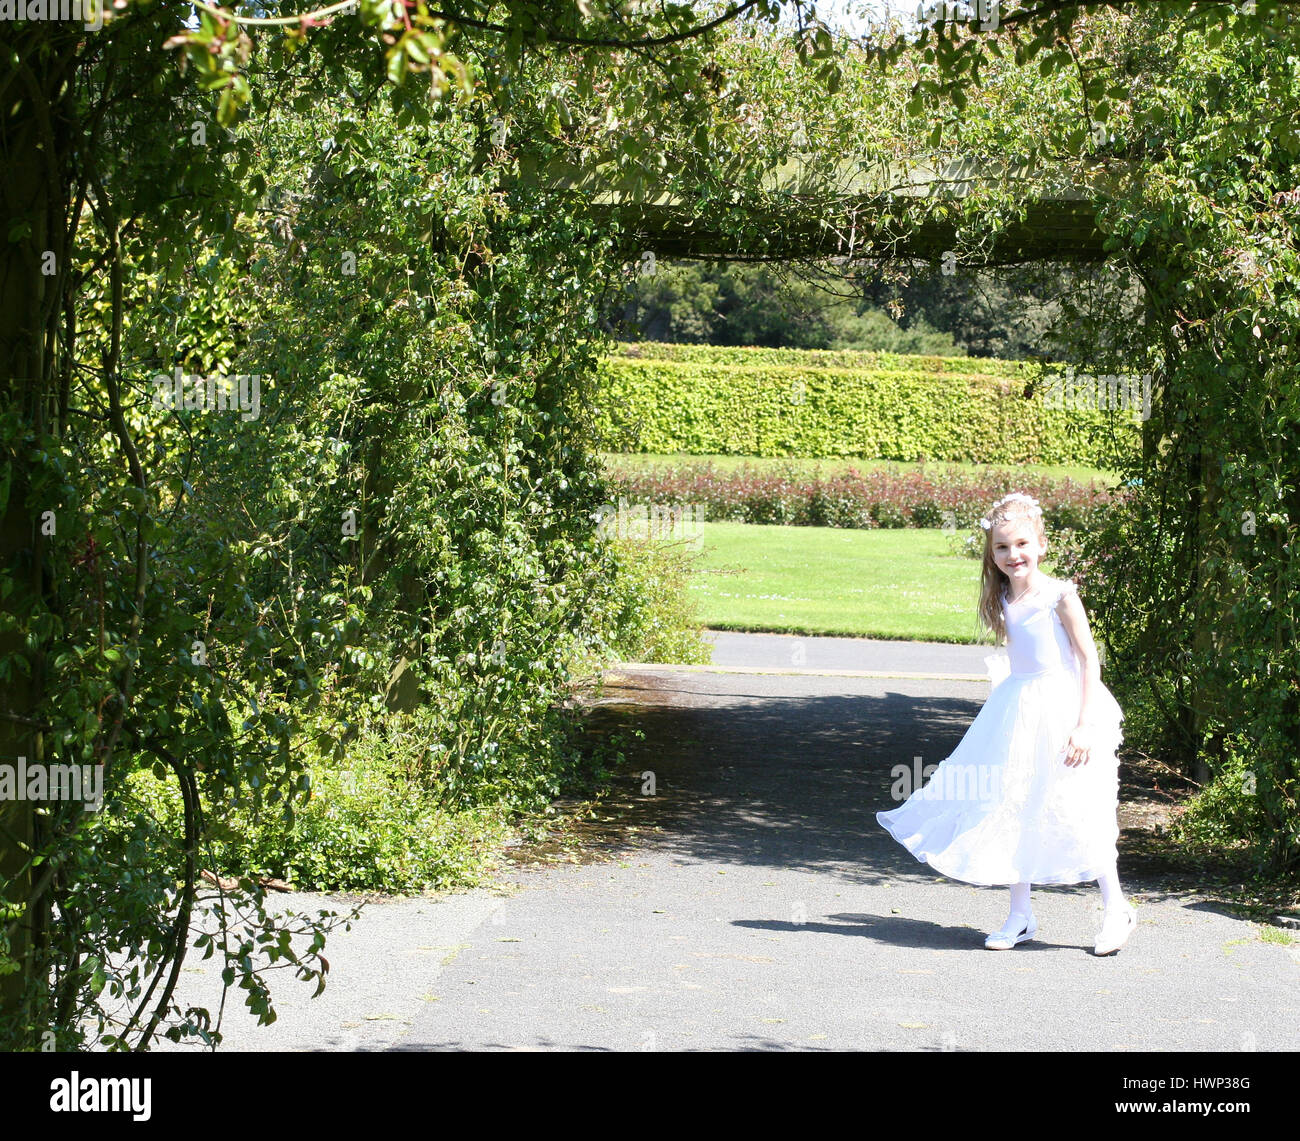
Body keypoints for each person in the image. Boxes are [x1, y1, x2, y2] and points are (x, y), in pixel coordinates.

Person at [876, 491, 1137, 955]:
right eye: (1001, 547)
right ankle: (1021, 914)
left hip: (1066, 707)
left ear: (1040, 544)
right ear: (991, 553)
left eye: (1021, 544)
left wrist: (1084, 724)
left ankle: (1116, 907)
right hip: (1017, 710)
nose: (1012, 555)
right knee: (1013, 801)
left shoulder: (1060, 595)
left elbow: (1088, 660)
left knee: (1080, 805)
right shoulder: (1001, 596)